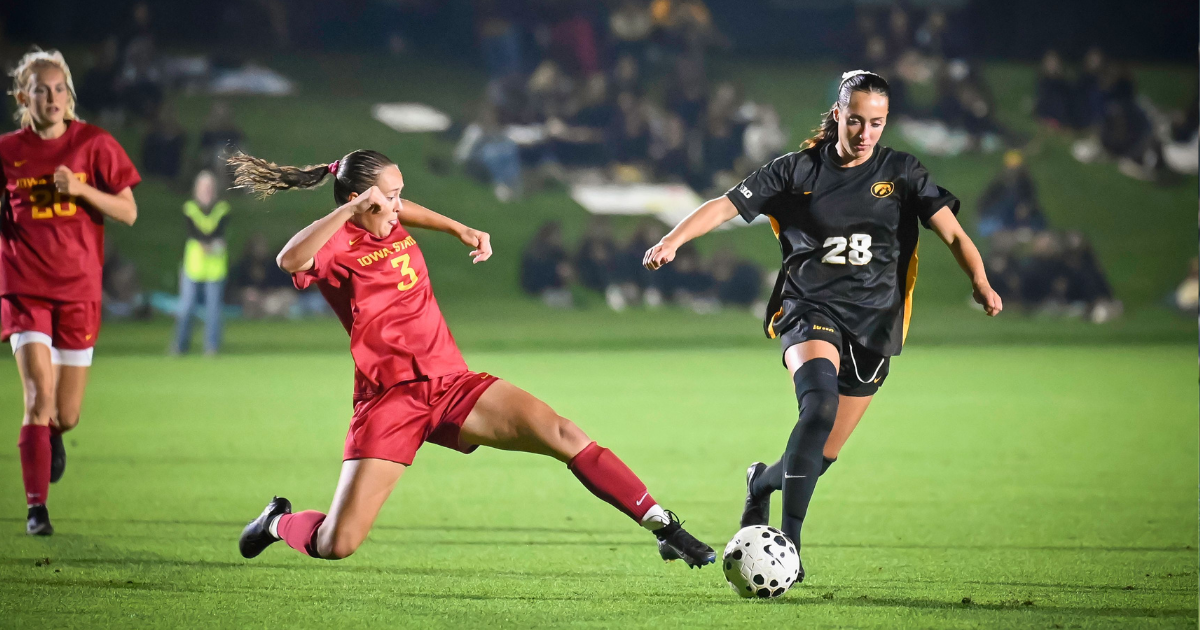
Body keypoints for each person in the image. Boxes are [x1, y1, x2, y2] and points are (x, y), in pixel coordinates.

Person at [227, 149, 715, 566]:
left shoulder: (390, 220)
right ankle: (278, 522)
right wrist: (351, 210)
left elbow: (406, 210)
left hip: (450, 383)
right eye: (390, 197)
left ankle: (663, 526)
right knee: (338, 544)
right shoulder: (336, 244)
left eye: (399, 195)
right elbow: (289, 259)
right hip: (389, 401)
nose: (399, 206)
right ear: (361, 200)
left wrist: (460, 228)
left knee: (564, 434)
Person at [643, 70, 1001, 581]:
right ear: (837, 114)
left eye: (876, 123)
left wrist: (980, 281)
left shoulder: (902, 172)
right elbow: (726, 205)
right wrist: (673, 240)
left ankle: (761, 483)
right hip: (809, 309)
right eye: (855, 120)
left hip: (875, 324)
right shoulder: (796, 170)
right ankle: (788, 545)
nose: (864, 133)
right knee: (819, 408)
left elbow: (956, 236)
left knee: (822, 453)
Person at [0, 49, 140, 535]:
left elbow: (128, 211)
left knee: (66, 413)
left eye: (60, 89)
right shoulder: (7, 150)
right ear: (24, 98)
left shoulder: (94, 144)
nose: (53, 98)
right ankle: (36, 509)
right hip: (24, 289)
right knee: (37, 395)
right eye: (41, 90)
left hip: (79, 291)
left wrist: (80, 190)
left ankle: (51, 435)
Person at [171, 170, 230, 355]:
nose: (207, 191)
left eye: (210, 187)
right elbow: (195, 233)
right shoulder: (190, 208)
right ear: (196, 189)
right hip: (193, 267)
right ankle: (180, 346)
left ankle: (211, 347)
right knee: (186, 307)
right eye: (204, 187)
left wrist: (209, 243)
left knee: (214, 310)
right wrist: (211, 244)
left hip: (214, 268)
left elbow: (219, 232)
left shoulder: (222, 209)